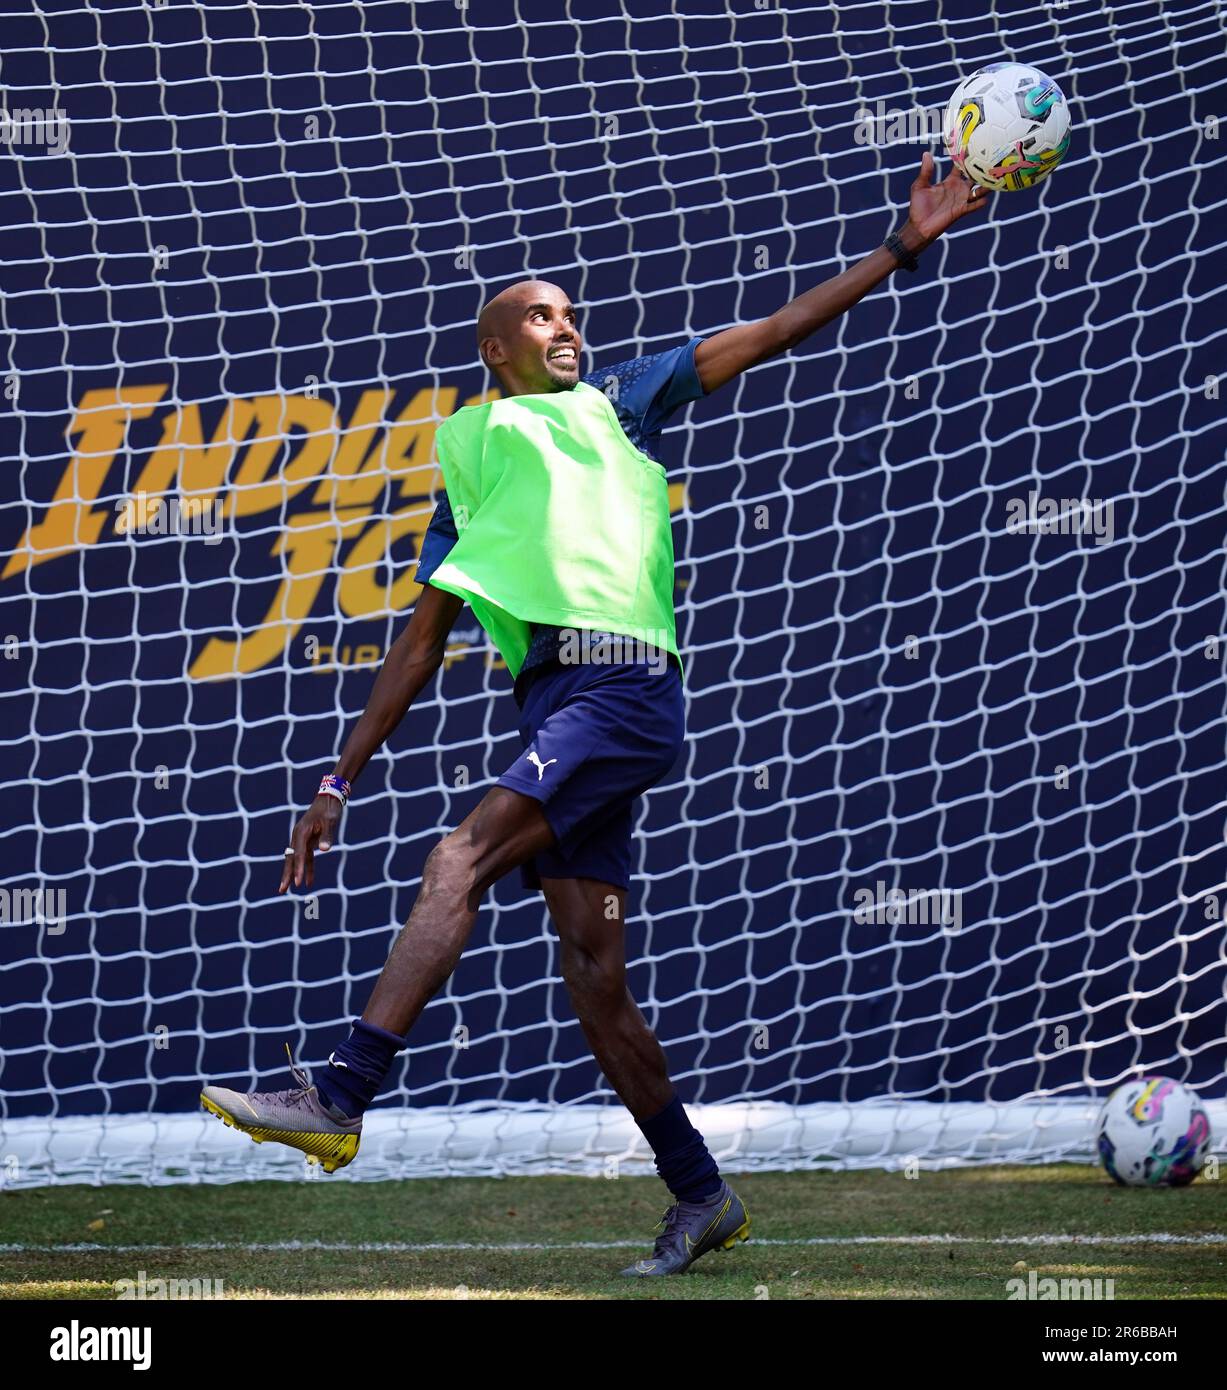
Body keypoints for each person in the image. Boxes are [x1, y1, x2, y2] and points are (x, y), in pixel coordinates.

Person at [202, 153, 988, 1276]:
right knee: (595, 975)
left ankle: (337, 1095)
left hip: (622, 688)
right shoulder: (474, 467)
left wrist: (900, 249)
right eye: (539, 315)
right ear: (495, 348)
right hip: (564, 698)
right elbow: (419, 644)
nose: (565, 326)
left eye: (570, 313)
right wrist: (335, 782)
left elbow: (768, 331)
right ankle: (702, 1195)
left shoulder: (620, 403)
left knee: (456, 860)